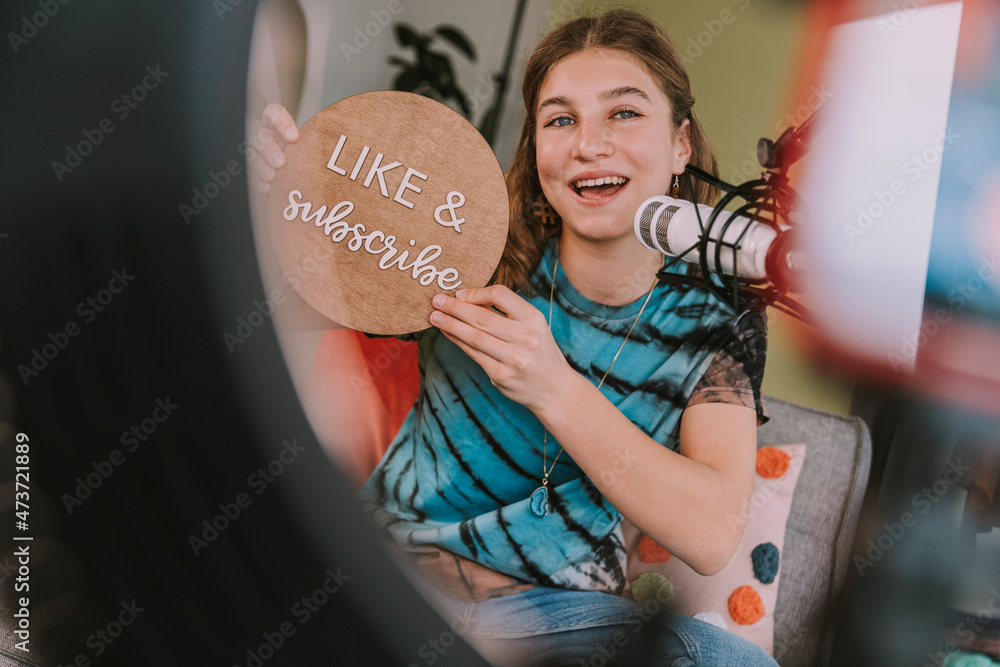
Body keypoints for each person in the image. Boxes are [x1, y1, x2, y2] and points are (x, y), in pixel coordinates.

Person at [257, 9, 775, 666]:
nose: (589, 144)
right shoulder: (471, 247)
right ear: (536, 150)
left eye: (623, 113)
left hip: (560, 616)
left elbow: (711, 533)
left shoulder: (717, 316)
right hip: (398, 571)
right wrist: (266, 201)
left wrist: (554, 387)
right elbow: (270, 308)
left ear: (680, 143)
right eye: (560, 120)